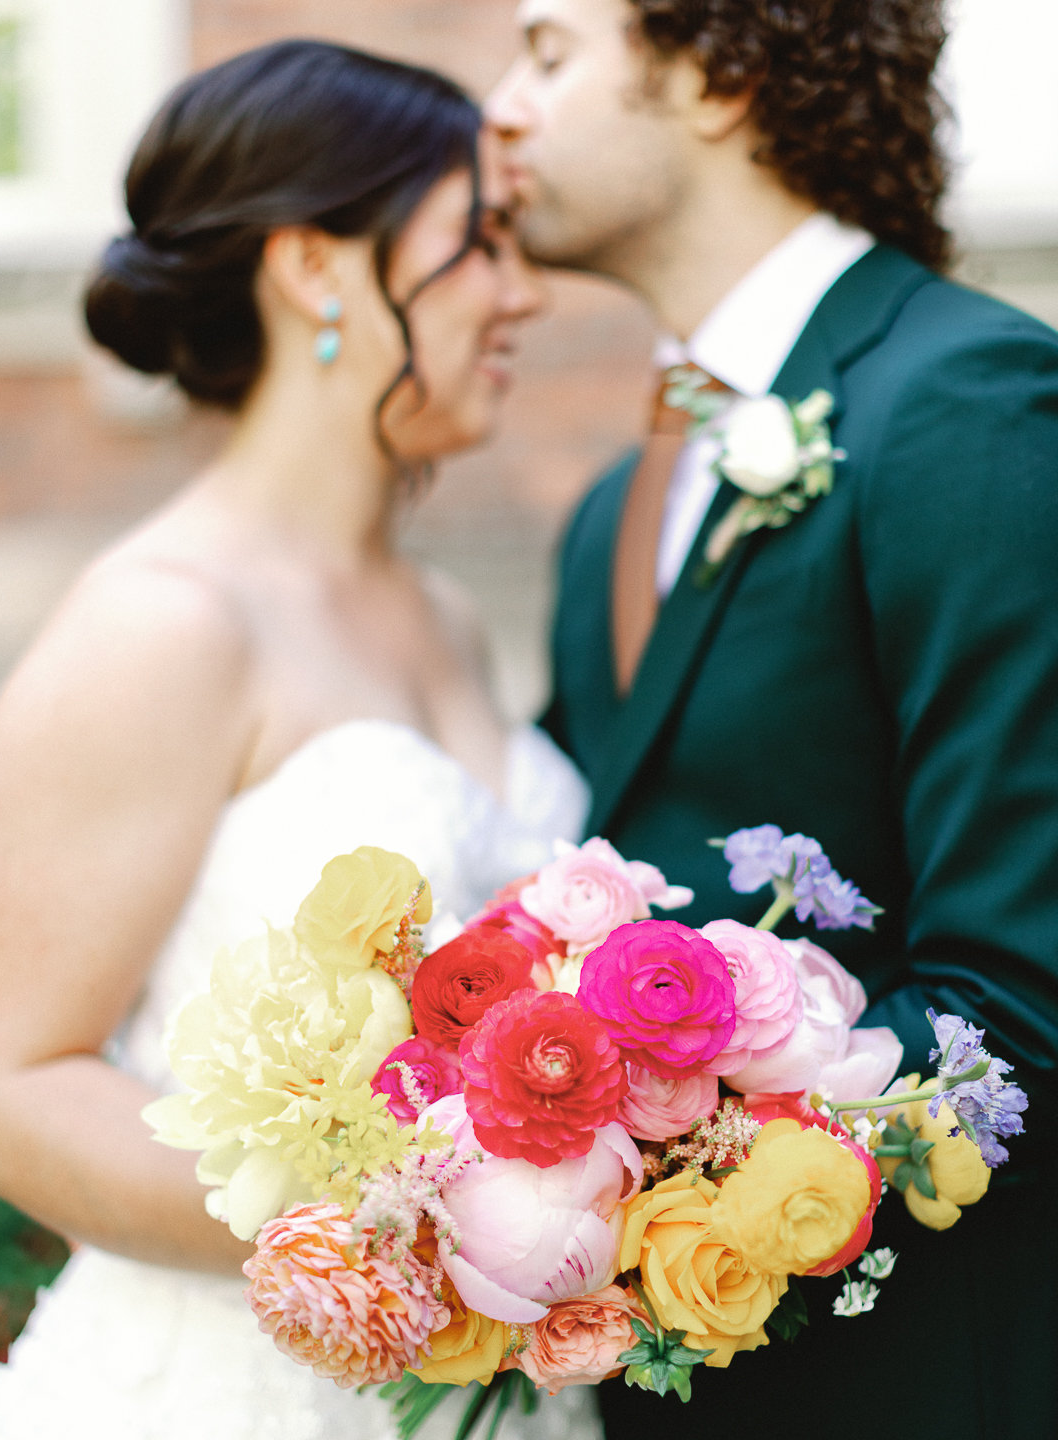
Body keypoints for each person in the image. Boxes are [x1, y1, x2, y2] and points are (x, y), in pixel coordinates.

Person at [0, 40, 597, 1440]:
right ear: (316, 266)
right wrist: (408, 1245)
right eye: (480, 242)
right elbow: (8, 1089)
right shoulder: (163, 625)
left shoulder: (447, 616)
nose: (524, 293)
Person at [487, 1, 1058, 1436]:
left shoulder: (968, 406)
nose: (501, 106)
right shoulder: (613, 511)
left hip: (929, 1375)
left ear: (721, 74)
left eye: (549, 53)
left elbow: (1022, 992)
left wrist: (651, 1204)